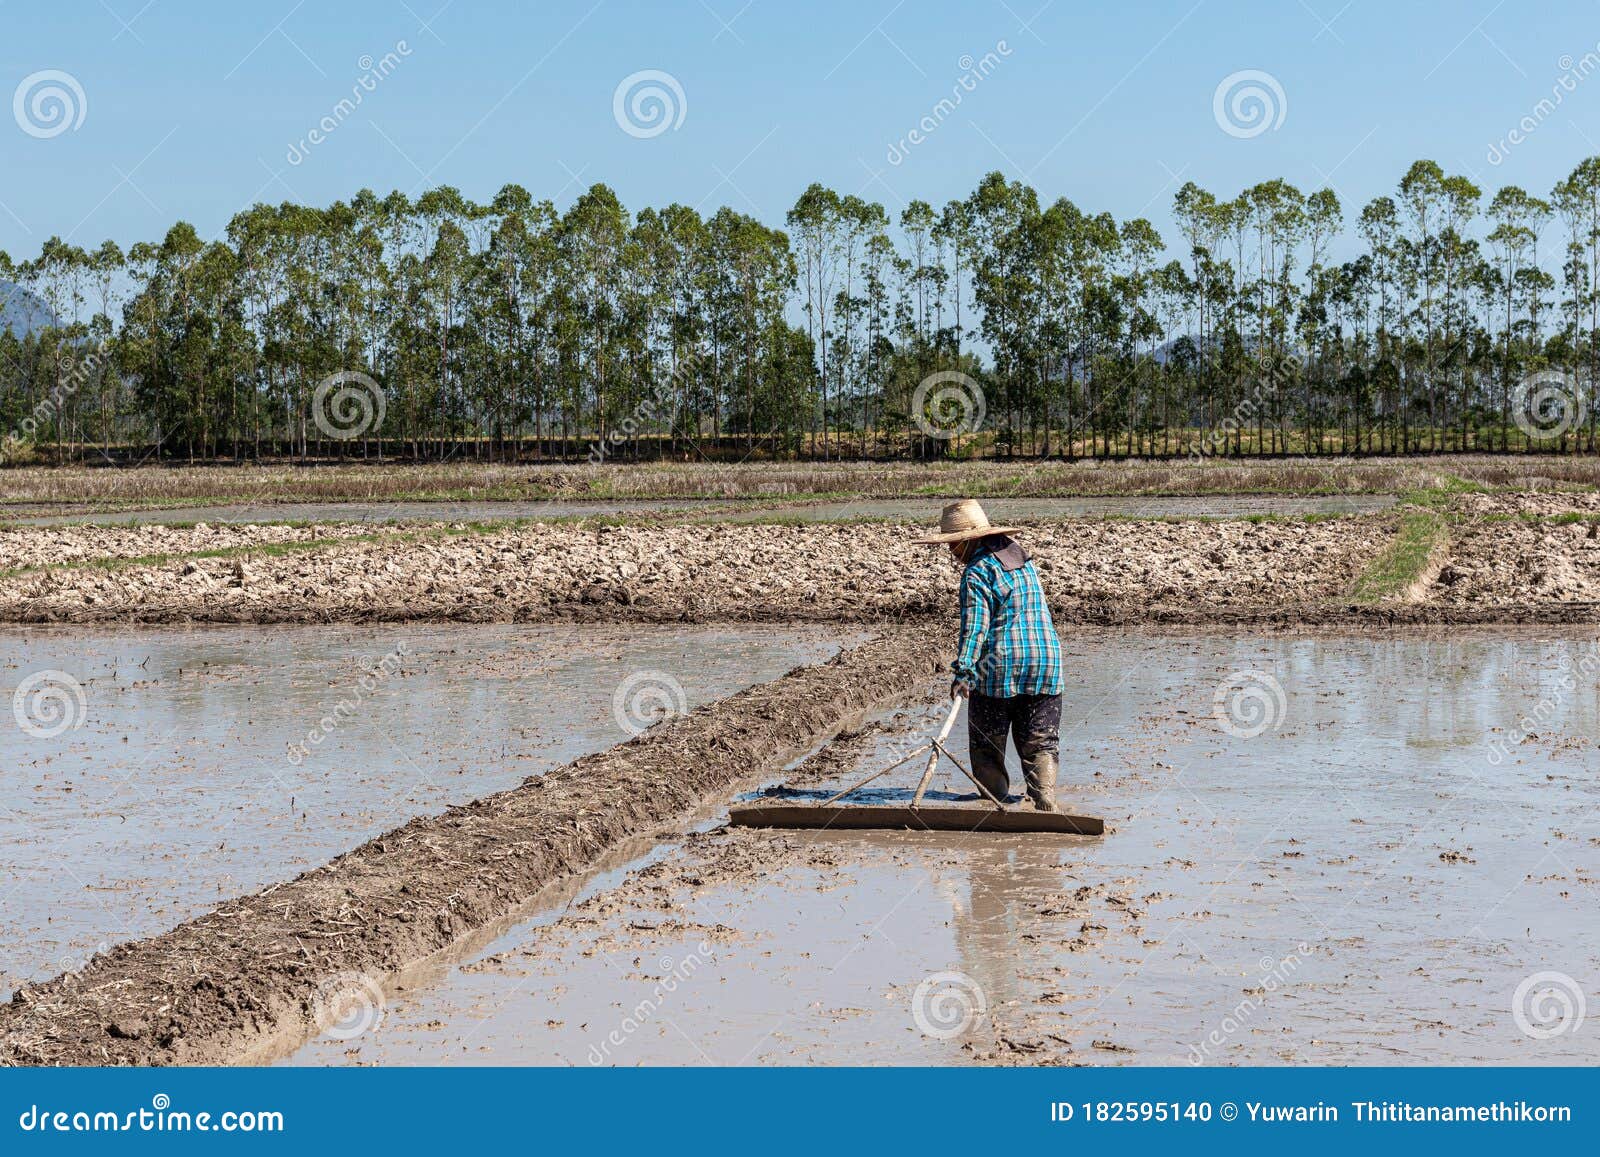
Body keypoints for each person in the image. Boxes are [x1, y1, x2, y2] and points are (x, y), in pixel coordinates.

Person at [914, 499, 1062, 812]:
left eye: (953, 545)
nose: (952, 553)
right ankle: (1044, 799)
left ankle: (997, 805)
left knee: (987, 743)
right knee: (1040, 741)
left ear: (968, 541)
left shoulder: (976, 572)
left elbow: (975, 628)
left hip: (998, 665)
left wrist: (964, 671)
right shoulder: (1022, 561)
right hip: (1046, 662)